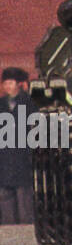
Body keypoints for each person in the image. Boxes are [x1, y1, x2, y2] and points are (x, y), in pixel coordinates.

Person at [0, 67, 34, 225]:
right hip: (4, 159)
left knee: (25, 201)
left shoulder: (30, 103)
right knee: (5, 201)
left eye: (10, 82)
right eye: (5, 83)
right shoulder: (1, 104)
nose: (7, 86)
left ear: (19, 84)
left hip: (23, 159)